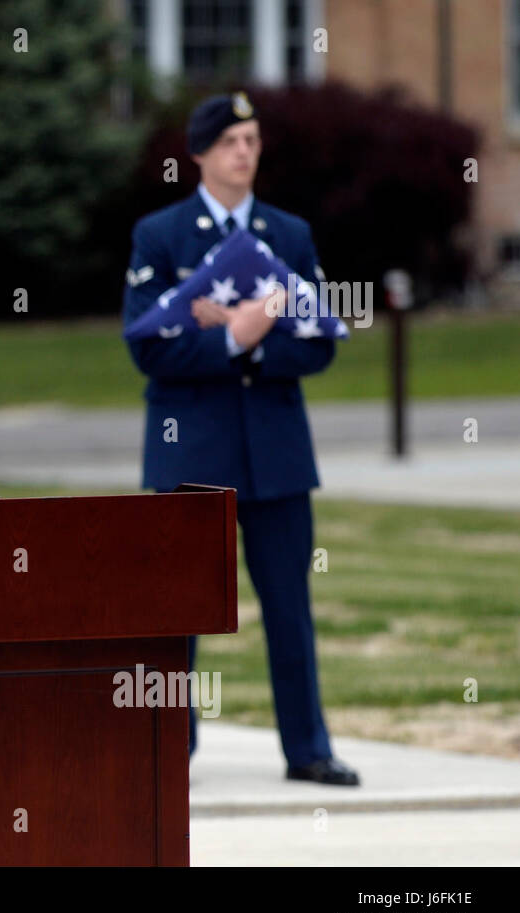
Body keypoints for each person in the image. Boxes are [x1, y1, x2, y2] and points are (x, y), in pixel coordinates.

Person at [121, 93, 359, 786]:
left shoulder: (290, 234)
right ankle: (171, 749)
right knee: (178, 612)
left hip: (277, 454)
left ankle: (308, 748)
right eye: (229, 141)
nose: (244, 152)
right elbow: (149, 347)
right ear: (198, 153)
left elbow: (319, 344)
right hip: (189, 451)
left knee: (290, 604)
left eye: (252, 139)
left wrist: (251, 343)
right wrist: (234, 334)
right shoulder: (160, 236)